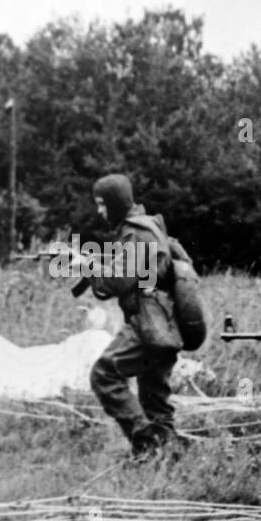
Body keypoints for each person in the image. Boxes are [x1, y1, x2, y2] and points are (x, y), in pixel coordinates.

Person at [83, 173, 181, 459]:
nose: (100, 211)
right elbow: (137, 269)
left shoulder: (136, 231)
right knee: (154, 394)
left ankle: (146, 442)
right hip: (165, 323)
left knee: (104, 374)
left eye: (103, 204)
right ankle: (168, 455)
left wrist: (86, 268)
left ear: (116, 202)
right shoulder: (147, 226)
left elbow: (118, 282)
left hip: (148, 322)